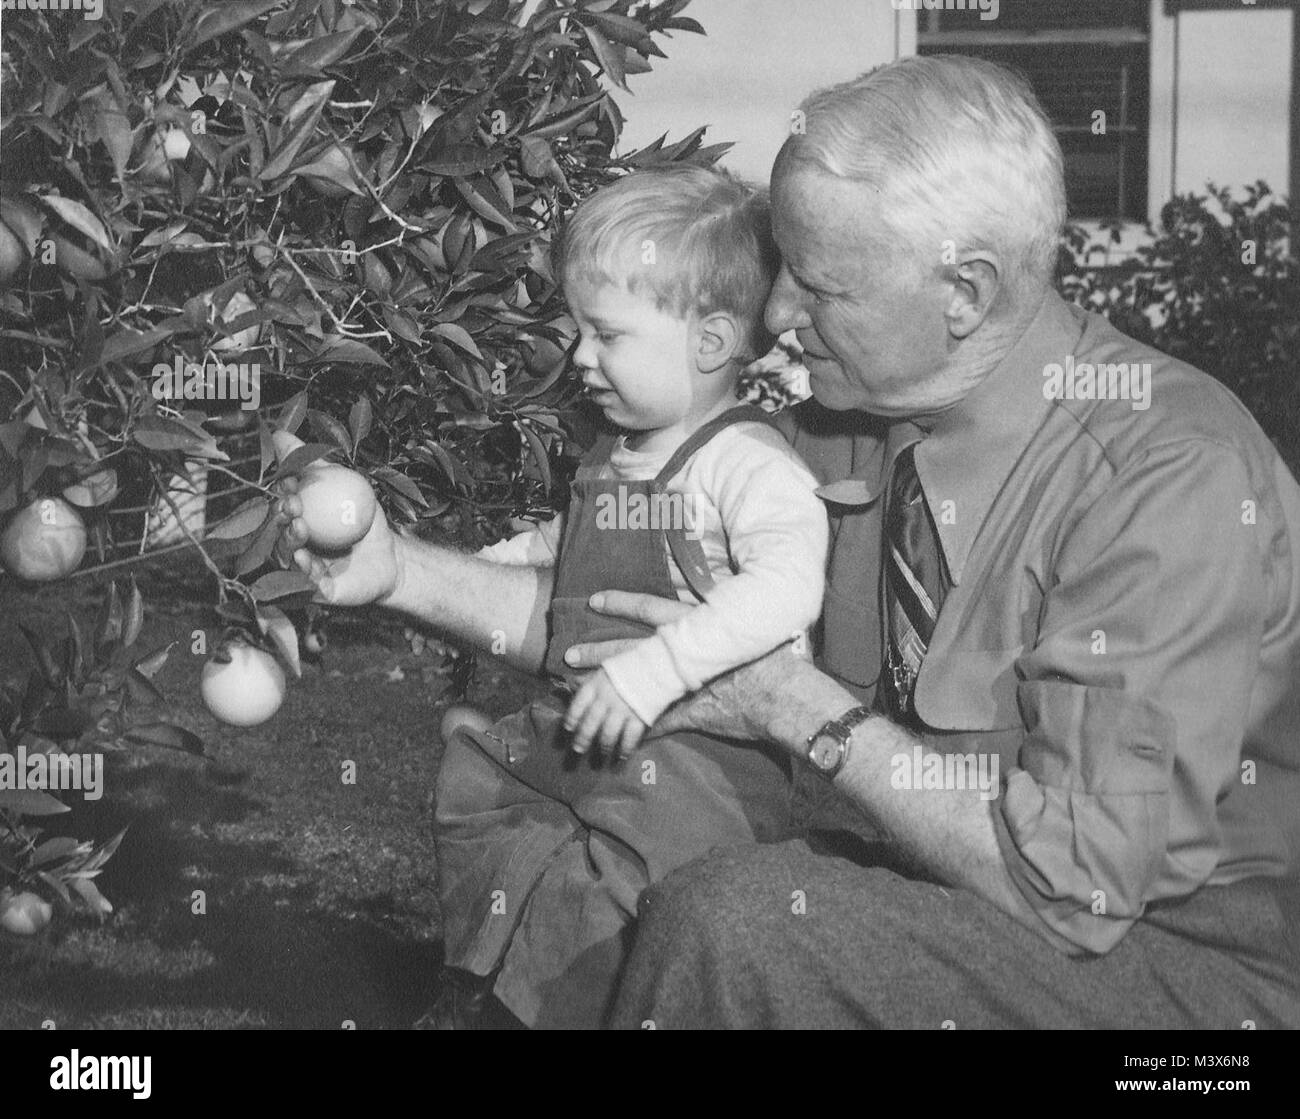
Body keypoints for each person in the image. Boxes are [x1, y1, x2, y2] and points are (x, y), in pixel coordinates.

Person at [283, 54, 1300, 1029]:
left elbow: (1075, 886)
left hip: (1185, 976)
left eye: (820, 285)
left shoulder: (1167, 479)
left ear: (966, 292)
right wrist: (396, 573)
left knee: (745, 925)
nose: (775, 314)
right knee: (625, 847)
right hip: (966, 902)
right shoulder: (837, 438)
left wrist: (792, 705)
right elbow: (616, 611)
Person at [287, 165, 828, 1028]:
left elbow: (792, 586)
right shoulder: (619, 452)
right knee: (507, 828)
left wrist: (657, 671)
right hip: (595, 743)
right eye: (578, 330)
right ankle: (489, 991)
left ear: (712, 343)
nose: (579, 358)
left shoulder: (746, 463)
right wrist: (441, 576)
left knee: (613, 920)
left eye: (606, 334)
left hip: (700, 774)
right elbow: (559, 546)